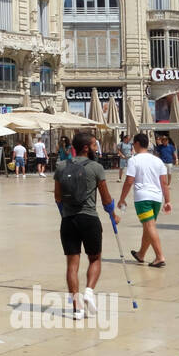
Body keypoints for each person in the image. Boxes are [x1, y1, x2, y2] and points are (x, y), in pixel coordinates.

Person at [54, 130, 117, 320]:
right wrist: (113, 215)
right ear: (86, 147)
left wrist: (65, 212)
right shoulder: (96, 168)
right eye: (95, 145)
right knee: (95, 259)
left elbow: (57, 197)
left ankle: (77, 308)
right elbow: (106, 200)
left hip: (68, 221)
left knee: (72, 265)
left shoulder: (61, 166)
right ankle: (89, 290)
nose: (97, 148)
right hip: (89, 219)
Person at [117, 132, 171, 267]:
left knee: (149, 226)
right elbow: (164, 183)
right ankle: (141, 254)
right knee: (148, 226)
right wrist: (168, 201)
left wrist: (122, 199)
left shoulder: (134, 160)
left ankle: (160, 257)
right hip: (157, 199)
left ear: (136, 144)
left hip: (143, 198)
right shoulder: (158, 161)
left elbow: (129, 181)